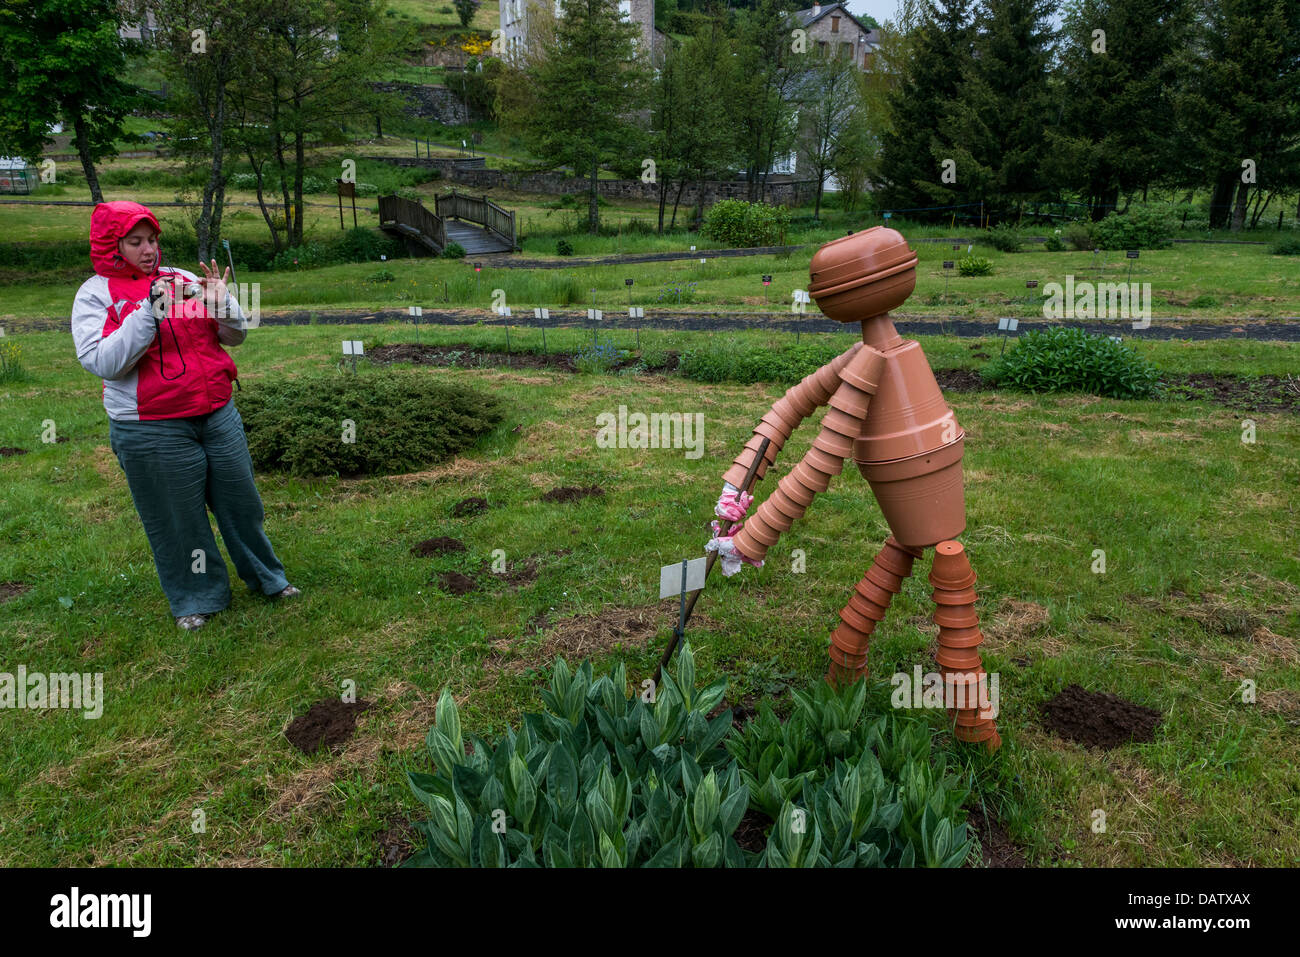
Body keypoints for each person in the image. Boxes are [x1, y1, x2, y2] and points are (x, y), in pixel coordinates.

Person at [70, 200, 298, 630]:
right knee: (179, 519)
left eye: (152, 240)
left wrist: (222, 302)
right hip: (152, 427)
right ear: (111, 246)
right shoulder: (95, 294)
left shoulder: (184, 279)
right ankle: (198, 597)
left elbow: (235, 337)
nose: (148, 249)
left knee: (241, 504)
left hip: (216, 414)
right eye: (135, 242)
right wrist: (148, 314)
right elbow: (103, 362)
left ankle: (268, 578)